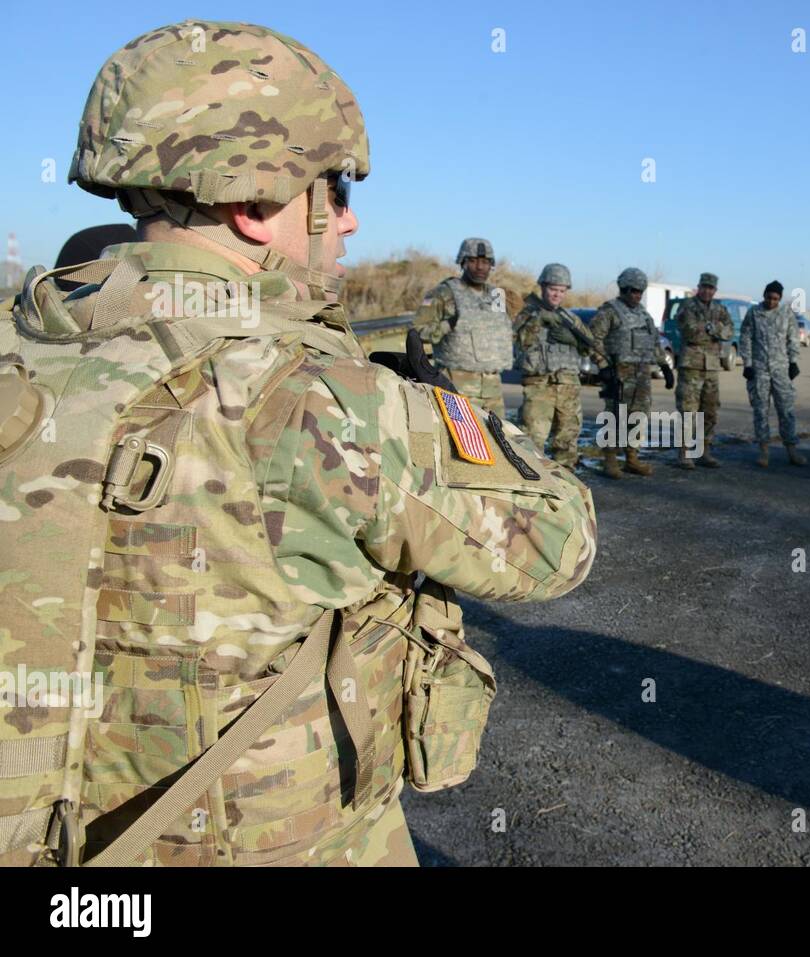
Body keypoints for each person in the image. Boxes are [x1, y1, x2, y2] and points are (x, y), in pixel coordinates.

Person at [0, 20, 596, 867]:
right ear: (254, 205)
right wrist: (439, 412)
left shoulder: (18, 348)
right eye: (337, 192)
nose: (349, 224)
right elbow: (561, 539)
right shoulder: (317, 403)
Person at [413, 237, 512, 417]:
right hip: (456, 383)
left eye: (485, 262)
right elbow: (419, 330)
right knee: (457, 440)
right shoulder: (444, 293)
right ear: (462, 262)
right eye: (473, 261)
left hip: (492, 387)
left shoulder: (497, 295)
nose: (480, 267)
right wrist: (448, 325)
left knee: (499, 441)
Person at [589, 267, 673, 477]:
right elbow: (592, 340)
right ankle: (609, 460)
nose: (637, 296)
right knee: (615, 417)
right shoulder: (609, 311)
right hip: (618, 374)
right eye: (633, 291)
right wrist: (603, 366)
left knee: (639, 416)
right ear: (623, 289)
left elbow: (653, 342)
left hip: (642, 373)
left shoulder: (644, 315)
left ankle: (632, 458)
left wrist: (664, 365)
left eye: (640, 292)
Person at [514, 262, 595, 471]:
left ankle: (566, 482)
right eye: (553, 289)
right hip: (539, 386)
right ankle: (532, 483)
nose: (557, 295)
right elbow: (517, 343)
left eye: (561, 291)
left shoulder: (571, 319)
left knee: (567, 439)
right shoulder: (528, 314)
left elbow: (590, 347)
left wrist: (573, 339)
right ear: (542, 287)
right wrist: (537, 321)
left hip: (568, 387)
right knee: (532, 438)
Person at [739, 281, 805, 467]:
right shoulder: (754, 313)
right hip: (759, 370)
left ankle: (792, 450)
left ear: (780, 298)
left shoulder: (786, 314)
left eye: (775, 298)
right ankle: (764, 451)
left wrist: (793, 362)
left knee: (786, 410)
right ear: (764, 295)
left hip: (781, 370)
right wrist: (748, 363)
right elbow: (745, 338)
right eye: (769, 297)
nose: (771, 301)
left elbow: (792, 338)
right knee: (760, 411)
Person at [673, 272, 734, 469]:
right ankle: (684, 453)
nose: (707, 291)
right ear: (698, 287)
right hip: (691, 366)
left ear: (715, 290)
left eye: (711, 288)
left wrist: (709, 328)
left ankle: (704, 451)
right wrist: (715, 329)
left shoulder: (720, 308)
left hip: (712, 368)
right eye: (704, 287)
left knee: (709, 411)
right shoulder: (687, 307)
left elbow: (729, 331)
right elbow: (691, 333)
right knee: (688, 412)